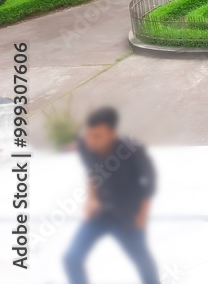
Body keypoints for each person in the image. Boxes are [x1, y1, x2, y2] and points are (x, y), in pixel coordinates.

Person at [65, 107, 159, 284]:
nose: (92, 141)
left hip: (127, 216)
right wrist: (91, 199)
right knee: (72, 258)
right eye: (90, 135)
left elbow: (149, 183)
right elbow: (91, 172)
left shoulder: (133, 150)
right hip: (100, 214)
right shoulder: (86, 145)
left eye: (98, 136)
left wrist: (142, 215)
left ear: (112, 133)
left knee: (142, 261)